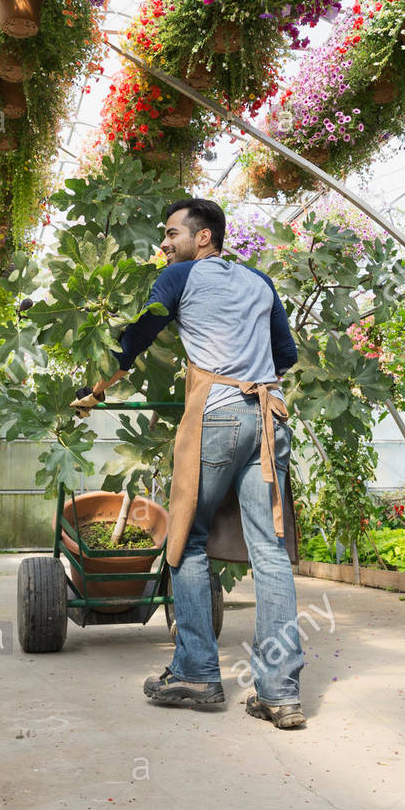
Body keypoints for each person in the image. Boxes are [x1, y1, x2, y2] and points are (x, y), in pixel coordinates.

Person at [70, 198, 305, 730]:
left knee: (185, 540)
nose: (164, 243)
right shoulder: (260, 284)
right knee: (270, 552)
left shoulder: (178, 279)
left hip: (218, 418)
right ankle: (280, 692)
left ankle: (197, 672)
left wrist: (94, 390)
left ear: (204, 239)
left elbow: (133, 341)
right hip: (269, 419)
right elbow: (284, 355)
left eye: (172, 233)